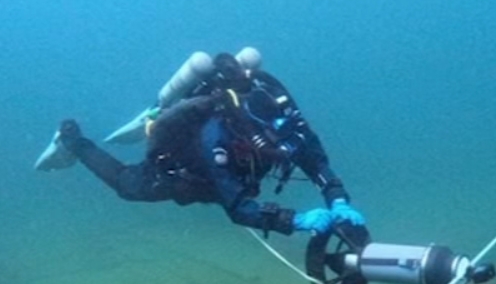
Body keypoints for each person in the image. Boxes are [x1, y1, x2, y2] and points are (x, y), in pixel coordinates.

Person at [34, 51, 367, 237]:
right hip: (184, 171)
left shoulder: (285, 119)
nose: (281, 145)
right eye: (270, 137)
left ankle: (154, 113)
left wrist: (337, 199)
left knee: (299, 149)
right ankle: (73, 141)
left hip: (231, 168)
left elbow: (314, 159)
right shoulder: (217, 140)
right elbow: (237, 208)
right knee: (128, 186)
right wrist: (294, 220)